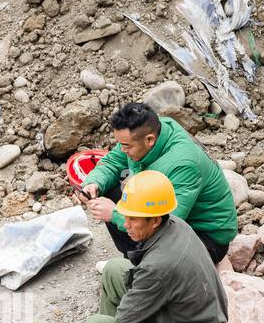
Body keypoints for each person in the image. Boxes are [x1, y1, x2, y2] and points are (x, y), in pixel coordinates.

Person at [65, 170, 228, 323]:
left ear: (154, 221)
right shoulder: (175, 223)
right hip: (194, 319)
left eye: (133, 220)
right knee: (114, 269)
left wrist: (125, 315)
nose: (126, 224)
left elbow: (126, 322)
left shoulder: (159, 265)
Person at [76, 102, 238, 264]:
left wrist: (116, 214)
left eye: (126, 146)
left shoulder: (183, 164)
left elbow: (169, 222)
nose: (122, 150)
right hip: (180, 217)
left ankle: (142, 271)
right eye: (120, 144)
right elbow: (113, 162)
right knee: (111, 190)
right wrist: (94, 183)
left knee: (126, 212)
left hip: (206, 237)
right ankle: (134, 261)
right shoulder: (151, 131)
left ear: (150, 140)